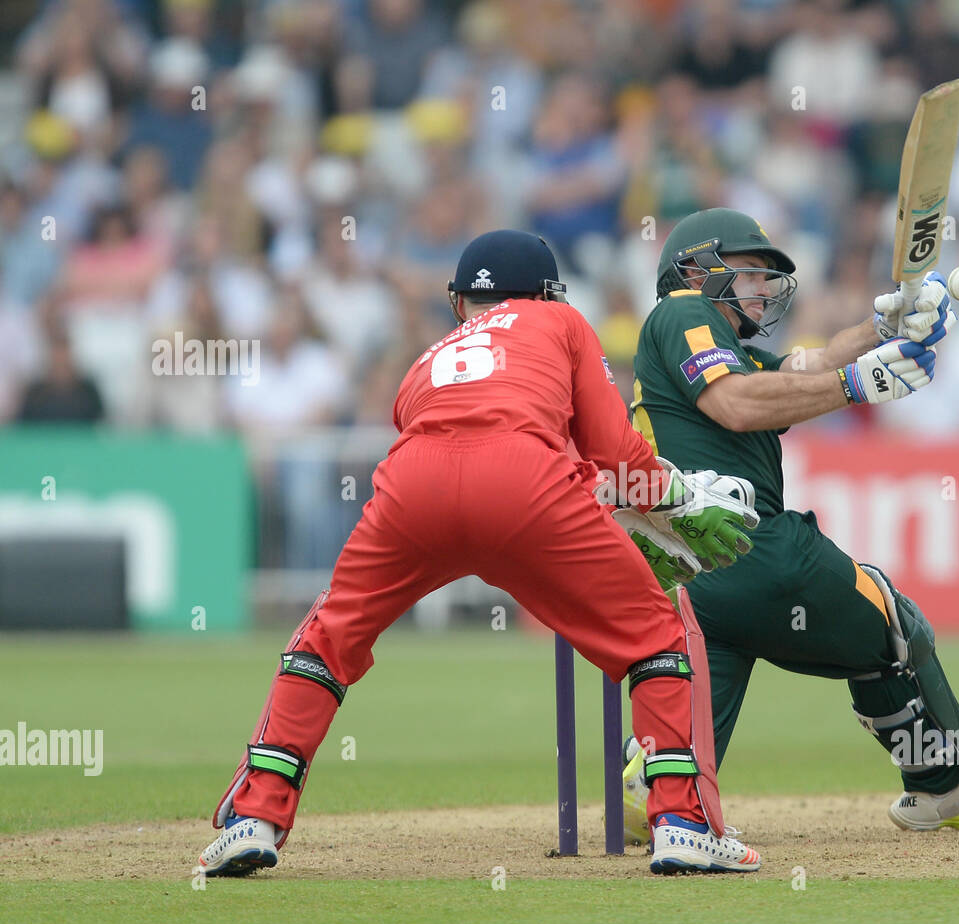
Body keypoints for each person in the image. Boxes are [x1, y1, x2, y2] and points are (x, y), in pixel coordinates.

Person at [198, 229, 762, 877]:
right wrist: (676, 494)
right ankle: (682, 825)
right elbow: (610, 447)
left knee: (324, 640)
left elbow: (429, 429)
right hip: (525, 485)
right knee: (655, 640)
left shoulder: (425, 357)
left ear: (461, 300)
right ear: (549, 291)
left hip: (414, 487)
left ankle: (255, 817)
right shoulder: (562, 320)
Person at [623, 208, 959, 834]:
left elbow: (812, 367)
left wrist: (884, 325)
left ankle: (656, 780)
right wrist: (863, 383)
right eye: (750, 272)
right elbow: (736, 404)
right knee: (890, 623)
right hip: (755, 547)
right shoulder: (682, 312)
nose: (766, 288)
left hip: (692, 579)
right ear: (695, 269)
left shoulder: (729, 353)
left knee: (689, 720)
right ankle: (954, 782)